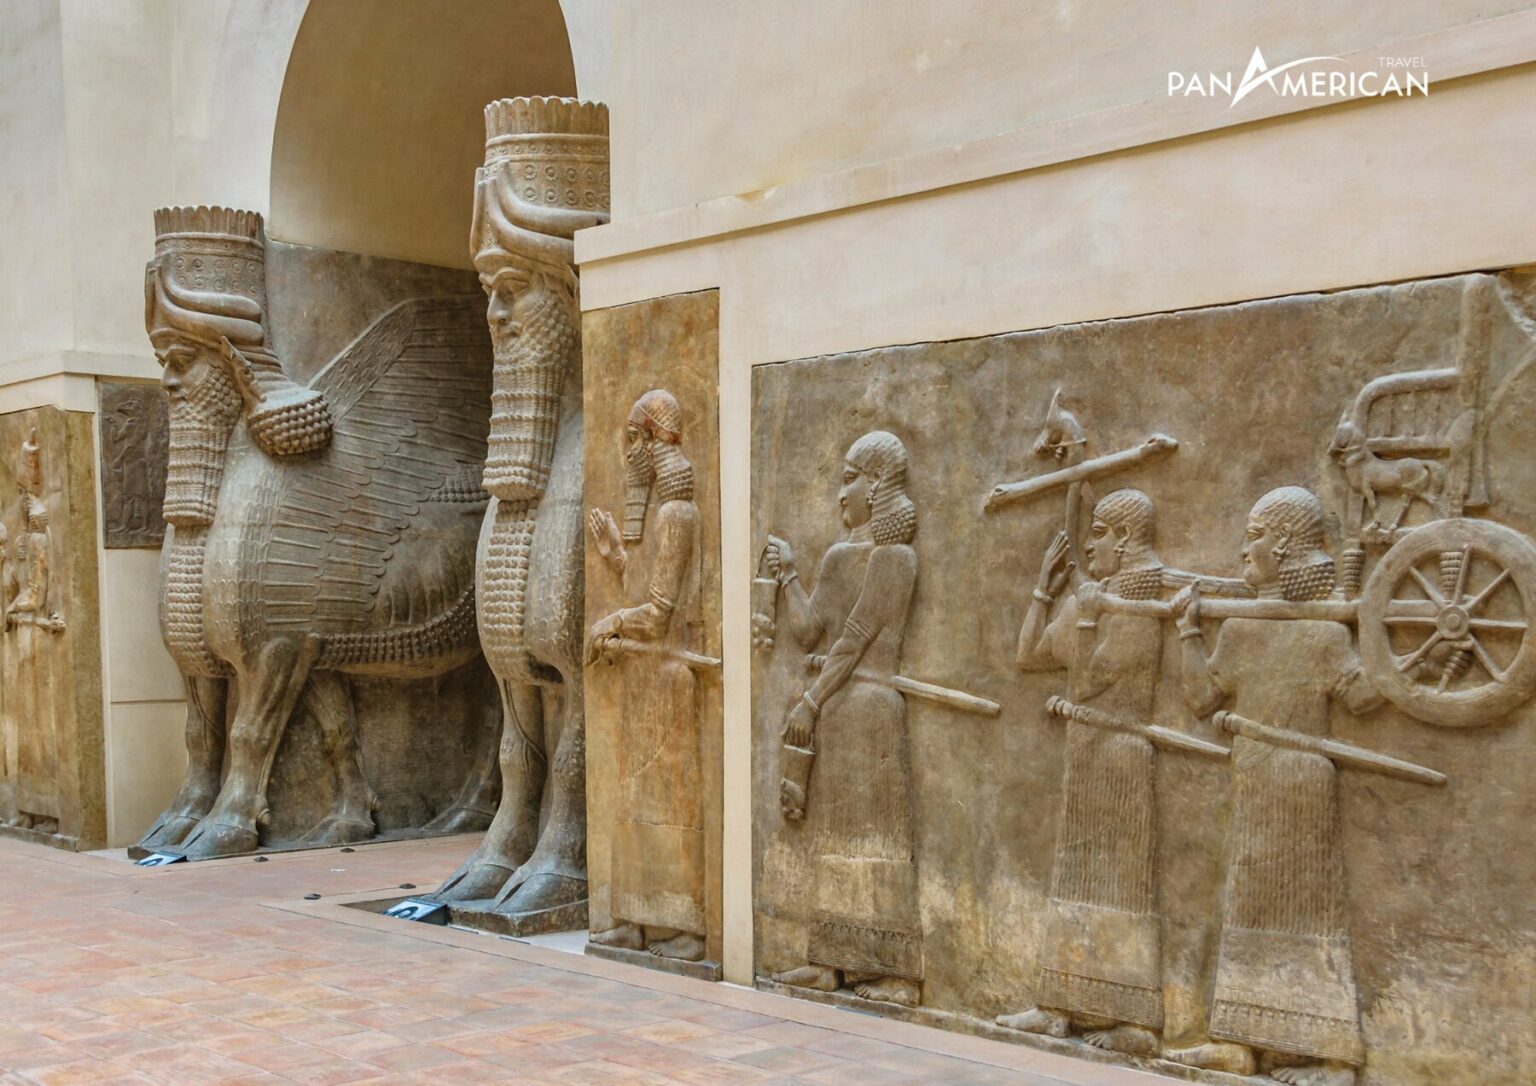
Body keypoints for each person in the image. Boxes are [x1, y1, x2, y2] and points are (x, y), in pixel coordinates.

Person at [1167, 486, 1379, 1086]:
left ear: (1283, 544)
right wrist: (1188, 632)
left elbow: (1364, 697)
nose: (1242, 549)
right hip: (1256, 777)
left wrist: (1381, 633)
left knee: (1309, 913)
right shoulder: (1241, 628)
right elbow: (1203, 698)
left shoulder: (1324, 631)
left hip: (1302, 779)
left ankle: (1331, 1057)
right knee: (1251, 906)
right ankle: (1239, 1042)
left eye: (1255, 534)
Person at [765, 431, 923, 1007]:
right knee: (837, 840)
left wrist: (810, 699)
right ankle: (833, 962)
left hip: (871, 708)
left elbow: (855, 639)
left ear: (877, 485)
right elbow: (811, 631)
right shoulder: (837, 556)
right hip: (841, 708)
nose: (840, 493)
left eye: (850, 477)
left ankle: (896, 974)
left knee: (878, 840)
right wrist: (787, 575)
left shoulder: (896, 559)